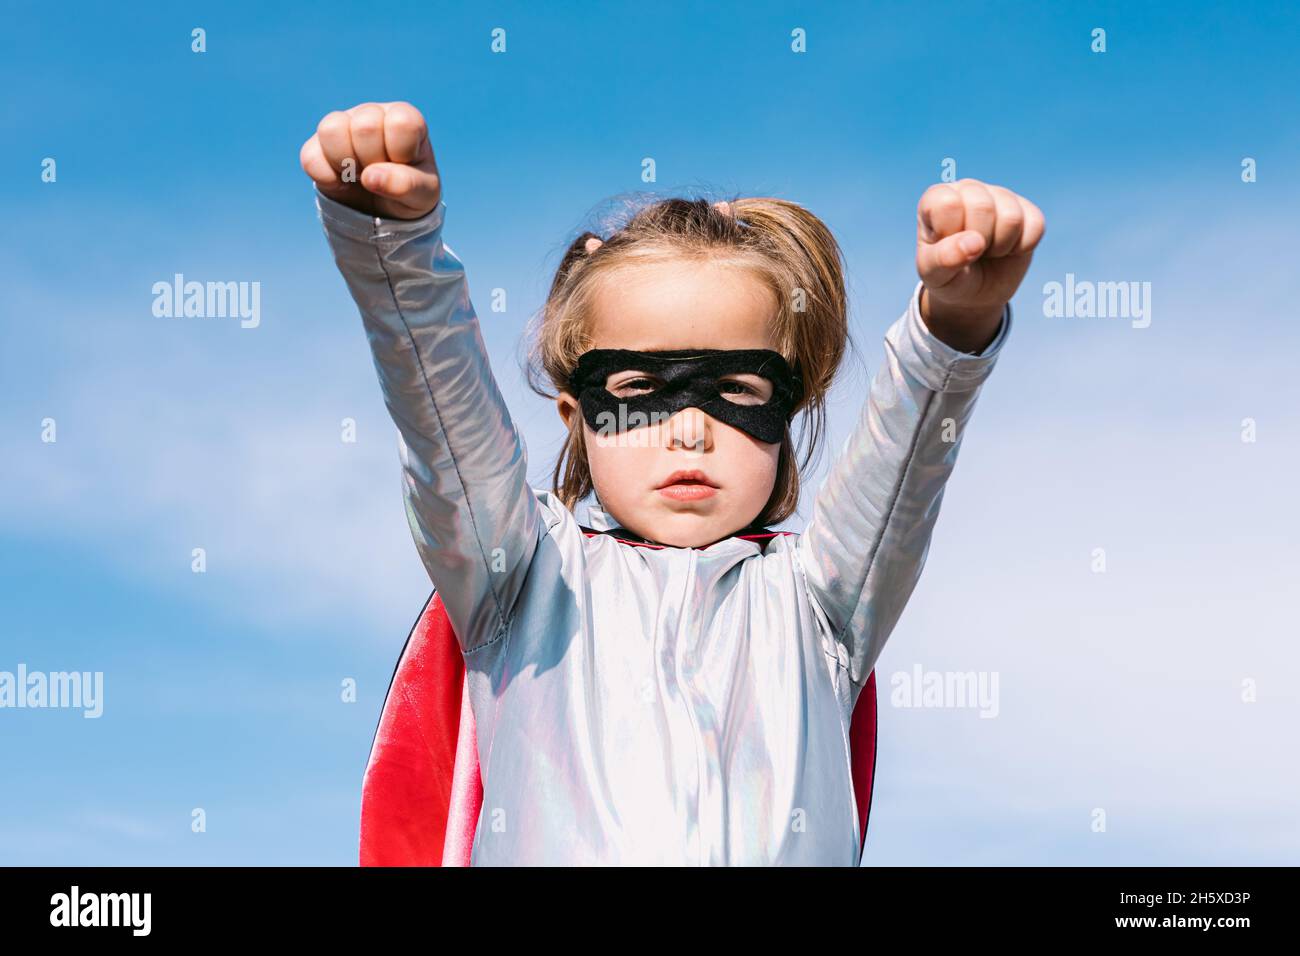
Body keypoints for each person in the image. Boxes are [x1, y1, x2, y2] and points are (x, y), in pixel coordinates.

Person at [301, 100, 1044, 865]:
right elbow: (442, 423)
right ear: (575, 416)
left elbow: (906, 466)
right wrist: (391, 248)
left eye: (737, 391)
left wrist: (952, 326)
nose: (690, 430)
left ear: (787, 414)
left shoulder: (823, 604)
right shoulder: (521, 579)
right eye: (638, 388)